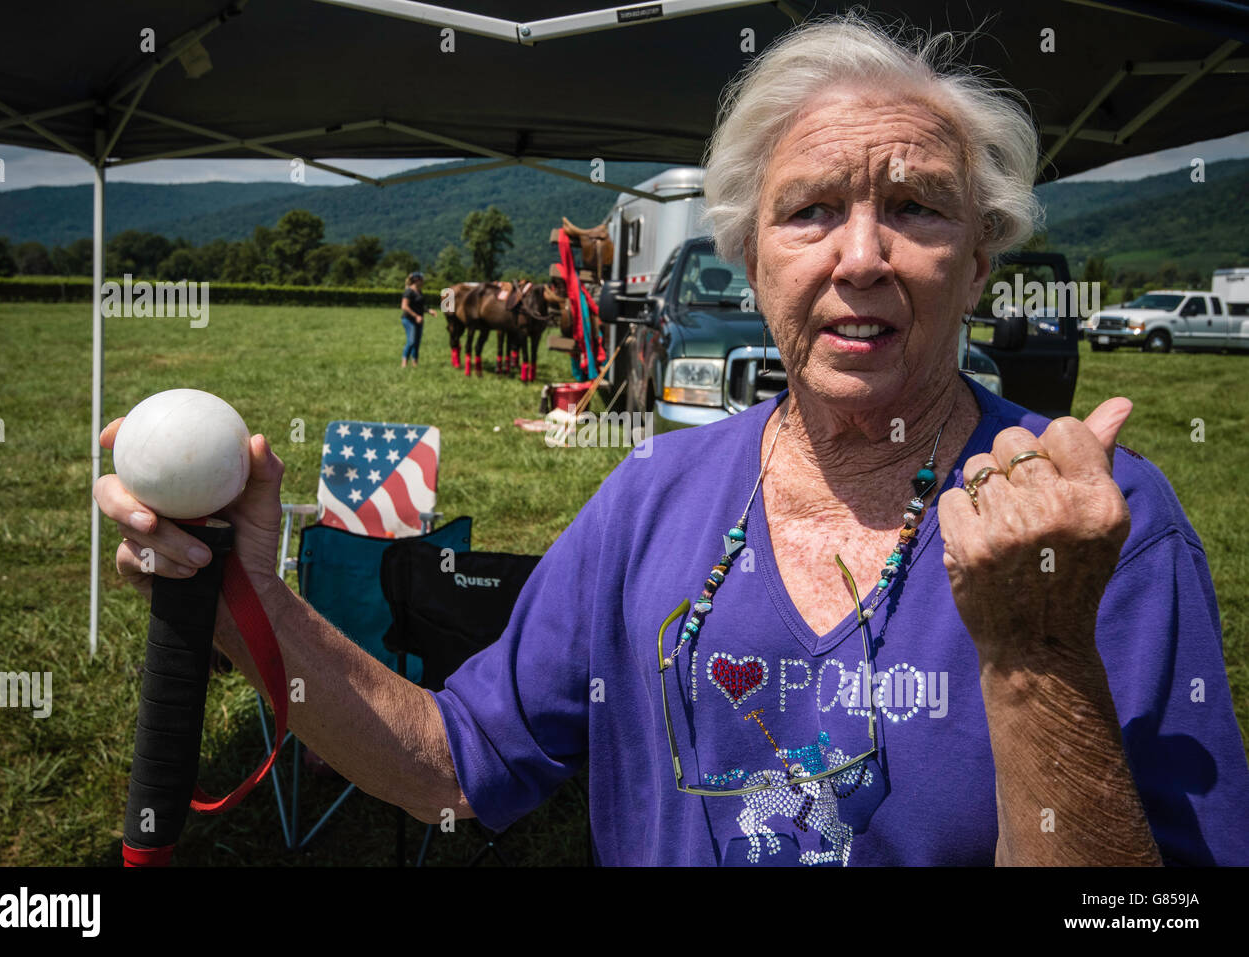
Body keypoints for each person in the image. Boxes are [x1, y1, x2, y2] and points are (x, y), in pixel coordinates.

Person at [95, 13, 1248, 865]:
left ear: (980, 260)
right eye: (808, 212)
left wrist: (1038, 658)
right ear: (751, 261)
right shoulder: (655, 493)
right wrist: (249, 600)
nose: (859, 256)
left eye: (915, 206)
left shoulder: (1104, 525)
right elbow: (452, 765)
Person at [399, 272, 437, 368]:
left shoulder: (419, 291)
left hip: (419, 320)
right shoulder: (409, 292)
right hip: (408, 320)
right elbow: (404, 306)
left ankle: (415, 363)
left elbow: (420, 306)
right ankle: (404, 363)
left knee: (417, 342)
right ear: (417, 280)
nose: (423, 281)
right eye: (422, 279)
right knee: (411, 341)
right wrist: (416, 316)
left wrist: (428, 311)